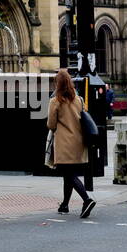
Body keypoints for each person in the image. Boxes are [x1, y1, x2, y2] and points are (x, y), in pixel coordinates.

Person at [47, 69, 96, 218]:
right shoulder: (79, 100)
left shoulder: (55, 101)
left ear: (57, 83)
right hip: (79, 142)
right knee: (69, 174)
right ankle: (64, 205)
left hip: (64, 143)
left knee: (68, 174)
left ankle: (86, 199)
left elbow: (51, 124)